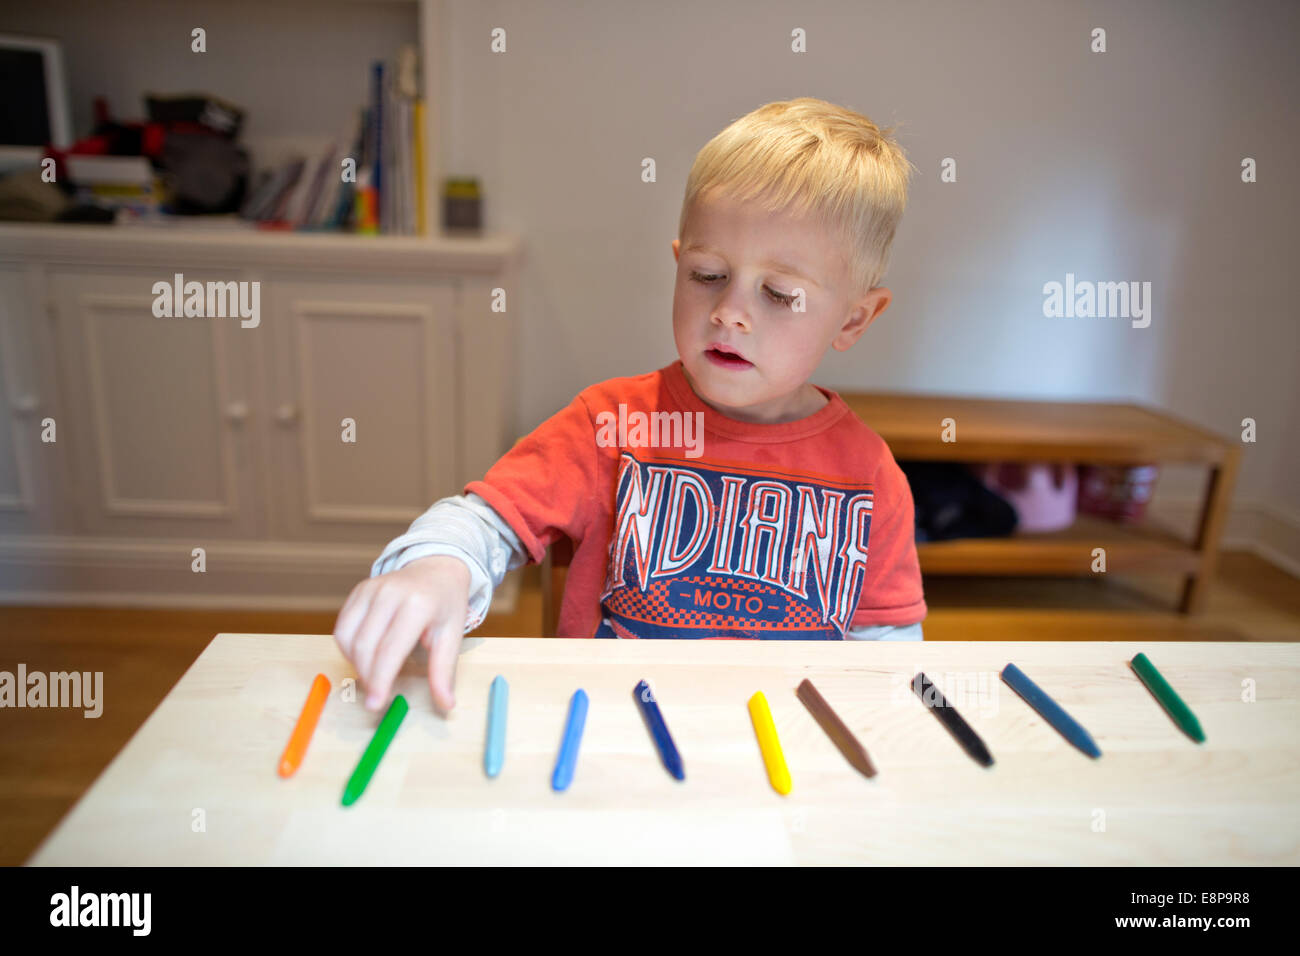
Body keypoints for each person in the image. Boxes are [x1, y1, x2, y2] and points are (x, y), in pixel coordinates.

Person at [334, 97, 926, 717]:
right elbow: (484, 521)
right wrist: (435, 567)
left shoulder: (871, 475)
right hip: (610, 739)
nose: (730, 312)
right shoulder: (610, 424)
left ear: (854, 318)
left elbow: (890, 657)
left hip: (780, 766)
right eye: (706, 275)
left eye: (780, 294)